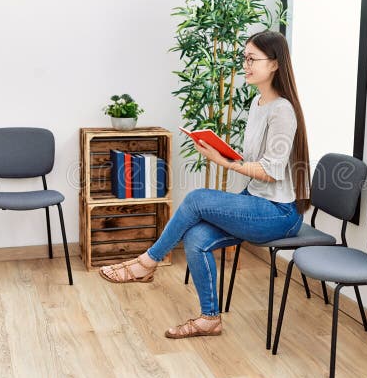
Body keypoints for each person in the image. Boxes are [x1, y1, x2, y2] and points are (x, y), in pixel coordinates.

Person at [99, 30, 310, 339]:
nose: (246, 65)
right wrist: (221, 150)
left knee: (196, 198)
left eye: (252, 59)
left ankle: (147, 262)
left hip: (279, 214)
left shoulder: (282, 111)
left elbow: (272, 171)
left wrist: (223, 162)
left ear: (275, 64)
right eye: (244, 58)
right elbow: (254, 161)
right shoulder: (258, 103)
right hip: (256, 201)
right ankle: (210, 319)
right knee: (197, 236)